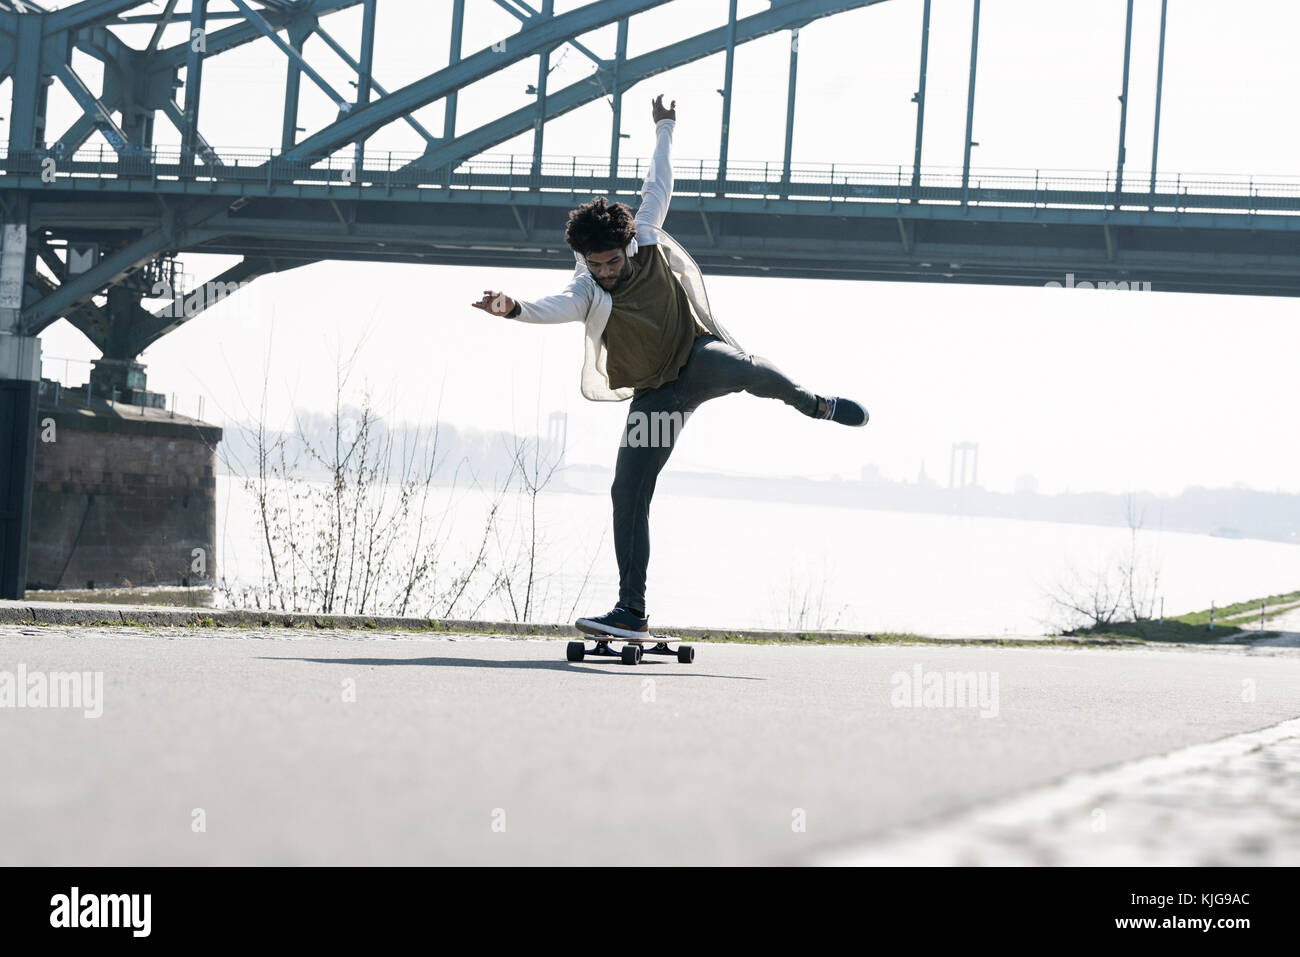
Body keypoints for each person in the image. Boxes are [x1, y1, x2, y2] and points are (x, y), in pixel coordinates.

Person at [471, 94, 867, 639]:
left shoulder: (648, 235)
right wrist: (511, 308)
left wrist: (663, 127)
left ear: (628, 245)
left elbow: (658, 185)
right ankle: (631, 610)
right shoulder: (586, 289)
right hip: (657, 396)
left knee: (751, 370)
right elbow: (550, 310)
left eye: (613, 262)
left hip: (699, 360)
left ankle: (814, 404)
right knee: (628, 491)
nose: (607, 272)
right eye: (596, 265)